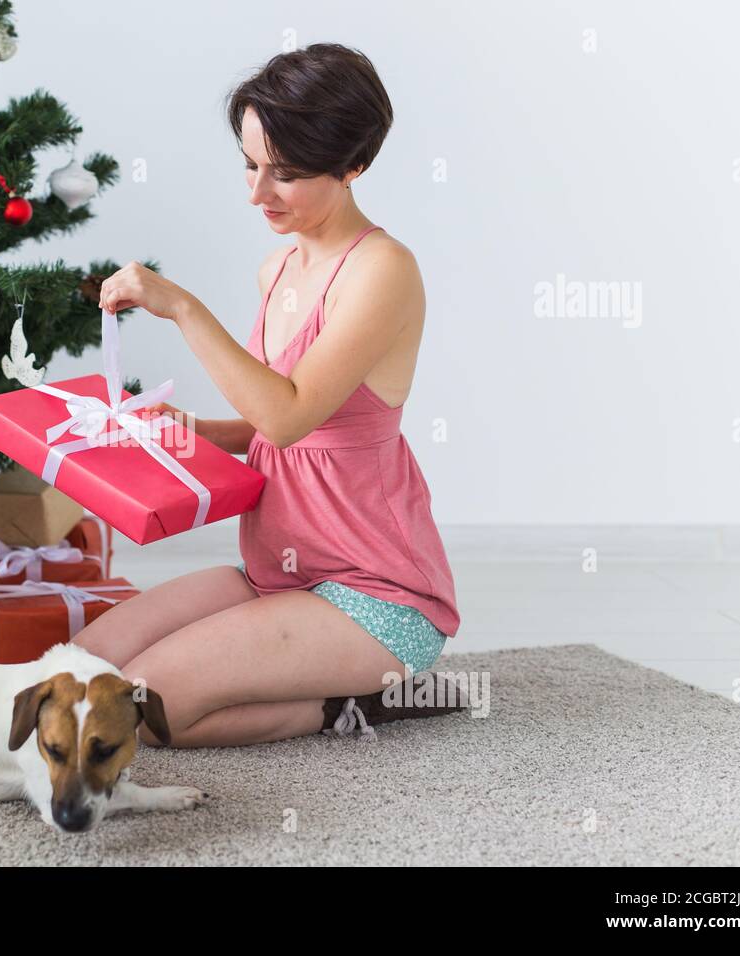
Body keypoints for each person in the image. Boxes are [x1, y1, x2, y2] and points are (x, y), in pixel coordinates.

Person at [71, 43, 461, 747]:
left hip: (375, 597)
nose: (258, 194)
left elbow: (285, 418)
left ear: (354, 165)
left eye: (285, 174)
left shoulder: (382, 271)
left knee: (138, 711)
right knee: (83, 671)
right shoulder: (277, 268)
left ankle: (357, 702)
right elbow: (270, 422)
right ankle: (336, 699)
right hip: (277, 575)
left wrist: (182, 307)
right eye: (251, 166)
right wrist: (182, 428)